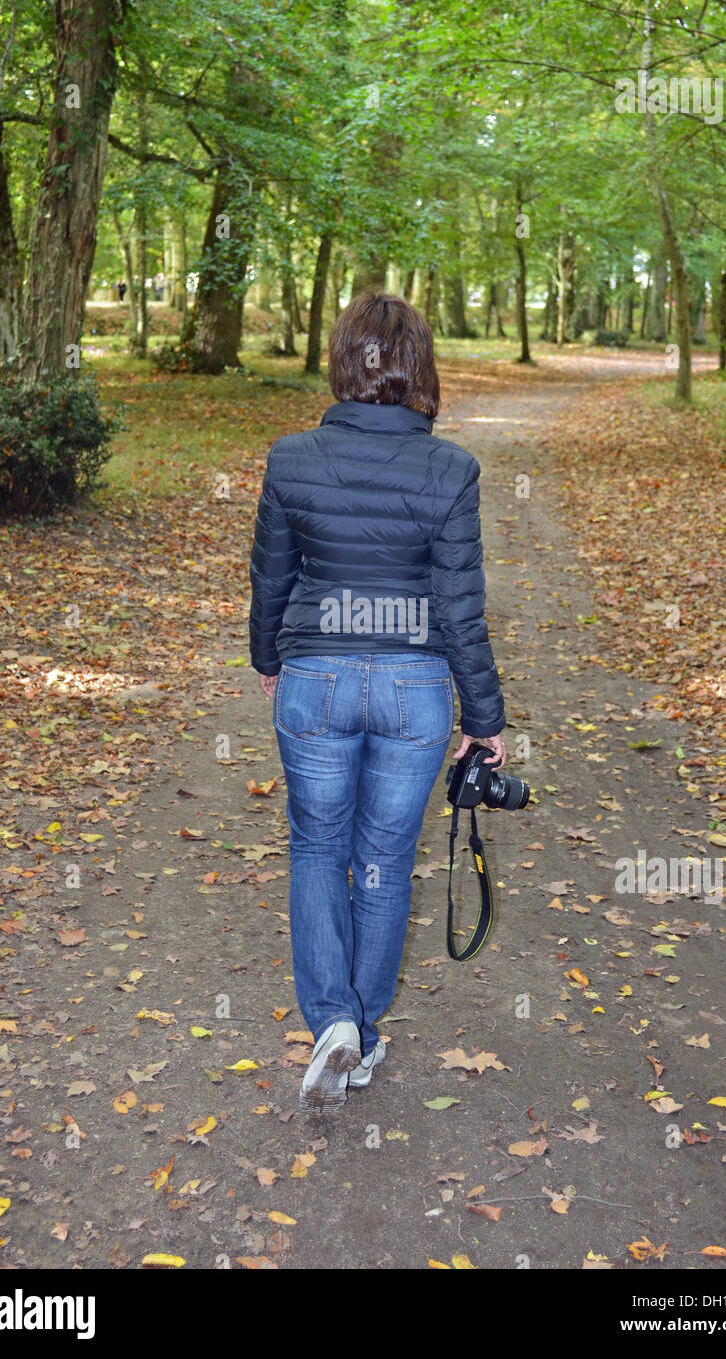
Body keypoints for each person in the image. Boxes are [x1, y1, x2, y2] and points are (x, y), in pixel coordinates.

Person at [248, 290, 506, 1112]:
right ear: (418, 368)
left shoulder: (291, 458)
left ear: (342, 360)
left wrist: (267, 658)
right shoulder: (451, 468)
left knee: (317, 849)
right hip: (414, 687)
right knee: (385, 863)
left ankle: (334, 1022)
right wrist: (485, 720)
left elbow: (270, 575)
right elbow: (460, 606)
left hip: (316, 679)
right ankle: (359, 1028)